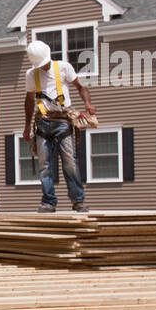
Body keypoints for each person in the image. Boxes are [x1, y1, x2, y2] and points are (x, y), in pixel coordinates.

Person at [22, 39, 97, 213]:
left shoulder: (63, 67)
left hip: (63, 121)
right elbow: (29, 101)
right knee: (44, 165)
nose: (43, 67)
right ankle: (48, 202)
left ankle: (78, 201)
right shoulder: (31, 74)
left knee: (70, 162)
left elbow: (80, 87)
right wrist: (26, 126)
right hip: (42, 122)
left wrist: (88, 103)